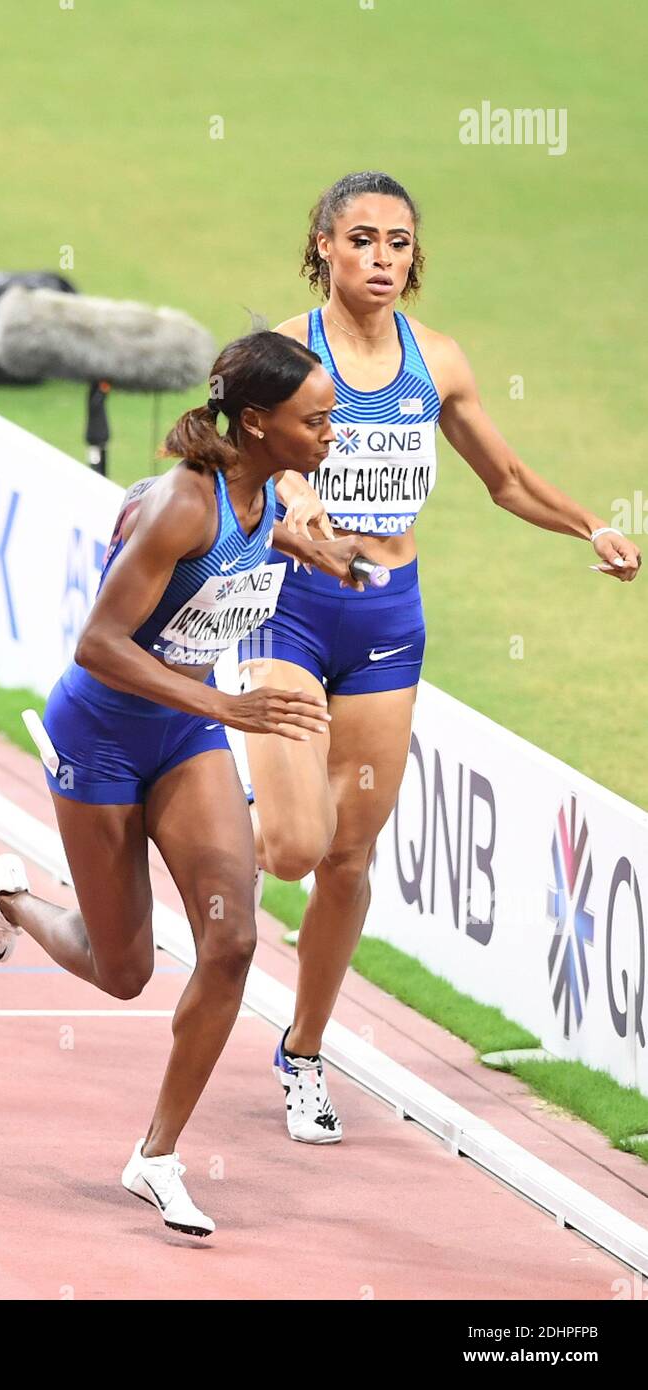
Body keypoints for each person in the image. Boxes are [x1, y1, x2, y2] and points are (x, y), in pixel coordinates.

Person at [239, 170, 642, 1144]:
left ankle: (303, 1051)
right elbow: (238, 462)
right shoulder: (286, 355)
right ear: (323, 248)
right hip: (291, 612)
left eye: (400, 243)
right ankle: (227, 793)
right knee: (291, 847)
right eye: (363, 239)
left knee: (344, 859)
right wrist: (291, 502)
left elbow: (502, 478)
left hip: (386, 626)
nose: (383, 258)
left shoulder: (440, 363)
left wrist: (591, 524)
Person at [0, 330, 342, 1237]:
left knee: (232, 943)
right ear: (255, 422)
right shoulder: (183, 504)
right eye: (315, 419)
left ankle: (157, 1155)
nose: (331, 433)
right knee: (124, 969)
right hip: (97, 738)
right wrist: (227, 706)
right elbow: (97, 645)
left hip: (180, 734)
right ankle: (12, 899)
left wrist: (304, 547)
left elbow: (239, 554)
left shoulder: (263, 496)